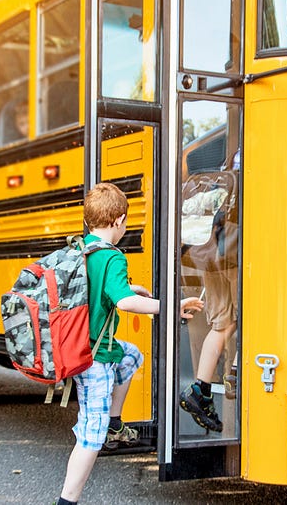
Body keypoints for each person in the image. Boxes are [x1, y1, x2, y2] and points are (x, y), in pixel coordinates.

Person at [57, 182, 203, 505]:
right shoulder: (112, 257)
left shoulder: (83, 248)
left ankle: (114, 422)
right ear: (120, 220)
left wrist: (128, 288)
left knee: (131, 357)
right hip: (94, 360)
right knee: (90, 438)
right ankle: (66, 501)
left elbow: (100, 288)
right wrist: (169, 306)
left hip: (82, 348)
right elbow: (123, 303)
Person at [178, 174, 239, 433]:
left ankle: (200, 388)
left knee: (220, 324)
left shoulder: (213, 176)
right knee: (246, 314)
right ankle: (234, 372)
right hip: (234, 253)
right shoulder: (244, 169)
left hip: (210, 256)